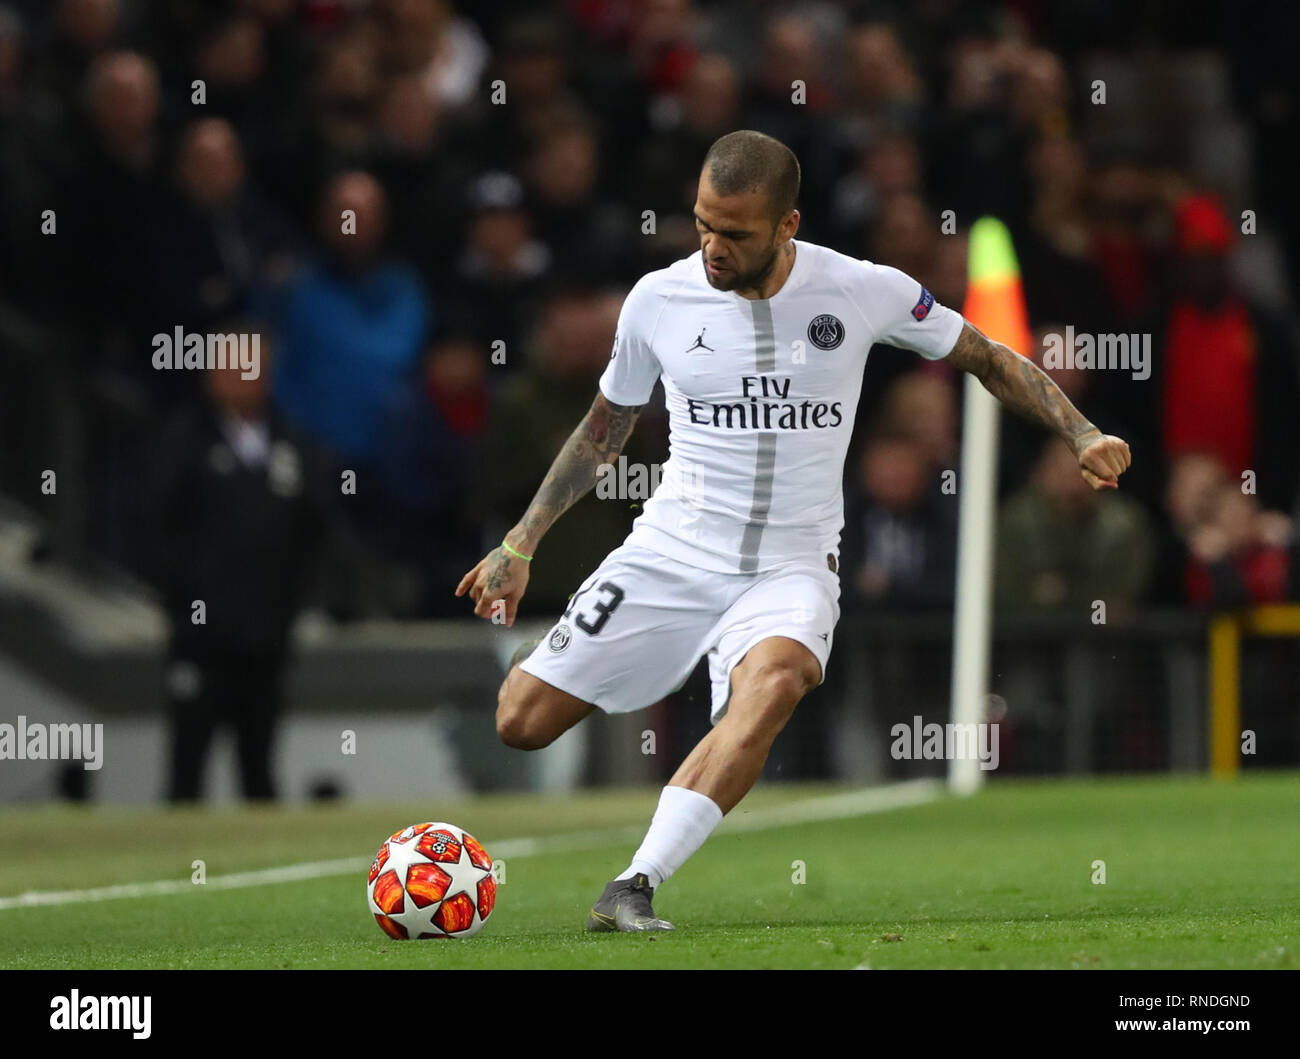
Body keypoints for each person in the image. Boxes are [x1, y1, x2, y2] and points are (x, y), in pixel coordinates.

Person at [456, 130, 1131, 932]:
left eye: (734, 232)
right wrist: (520, 543)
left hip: (792, 564)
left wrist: (1082, 431)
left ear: (788, 226)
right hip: (672, 549)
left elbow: (986, 355)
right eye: (703, 223)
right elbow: (603, 430)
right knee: (519, 721)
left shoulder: (862, 289)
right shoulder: (657, 300)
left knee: (774, 684)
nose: (712, 246)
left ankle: (633, 883)